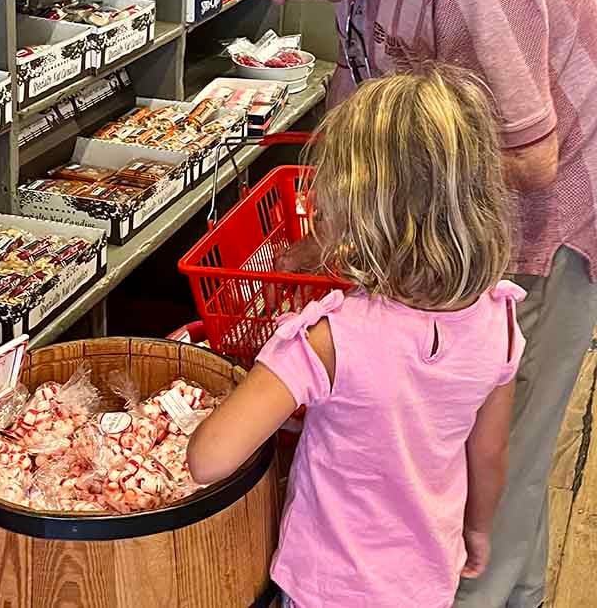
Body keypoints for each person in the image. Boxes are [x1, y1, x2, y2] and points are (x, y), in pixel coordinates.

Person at [188, 0, 597, 608]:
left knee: (499, 475)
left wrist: (362, 217)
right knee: (461, 471)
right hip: (456, 237)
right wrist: (328, 217)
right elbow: (365, 65)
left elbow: (532, 155)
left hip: (536, 234)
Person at [188, 66, 526, 608]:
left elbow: (210, 459)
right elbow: (488, 452)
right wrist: (478, 530)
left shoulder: (329, 338)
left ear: (357, 210)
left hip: (327, 585)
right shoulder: (499, 321)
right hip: (426, 580)